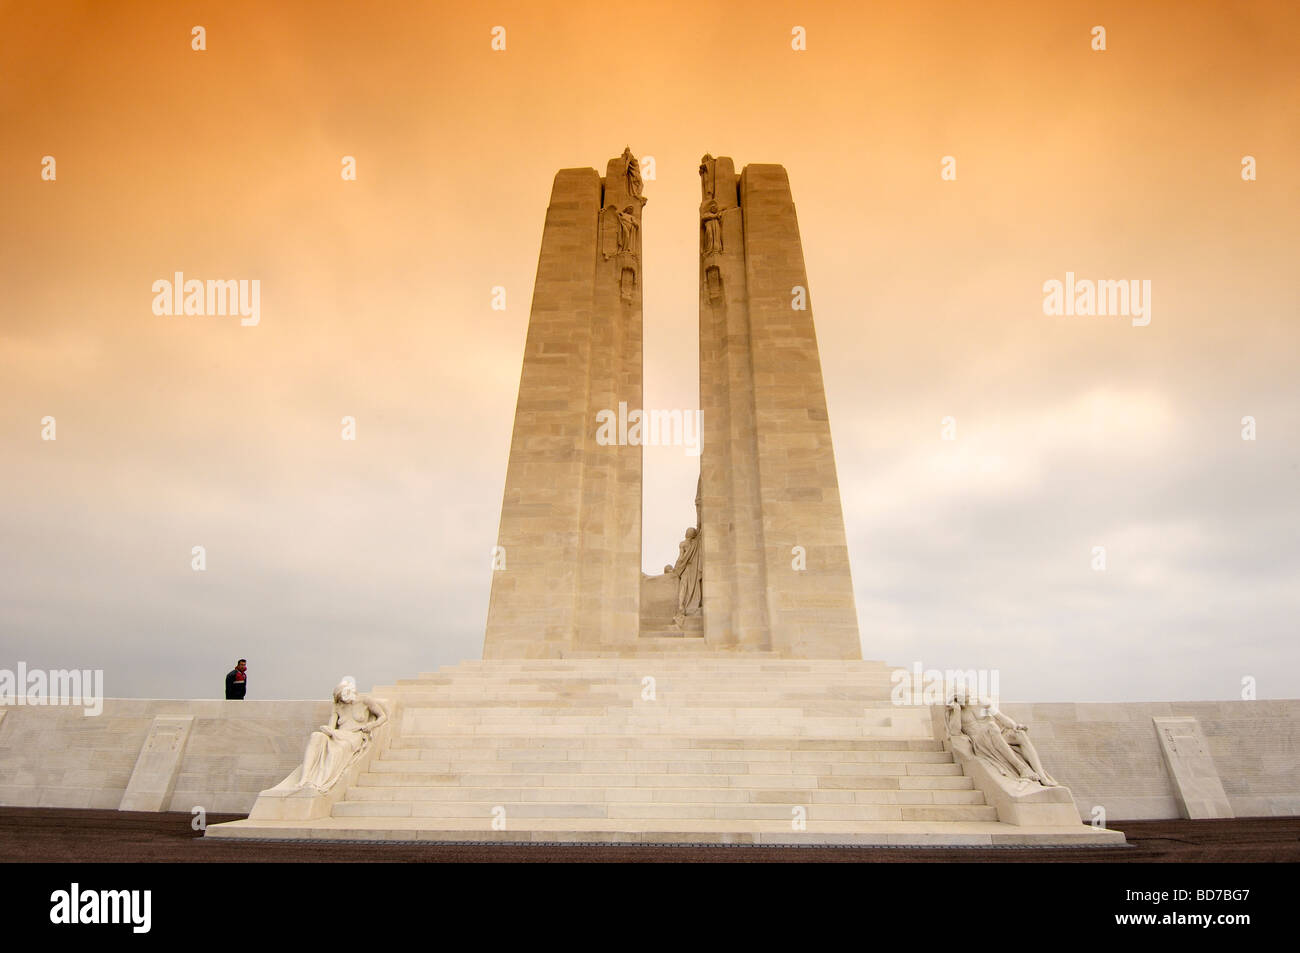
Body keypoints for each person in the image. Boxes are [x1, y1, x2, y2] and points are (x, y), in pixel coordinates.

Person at [295, 678, 388, 792]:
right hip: (337, 734)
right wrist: (328, 730)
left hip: (354, 735)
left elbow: (382, 716)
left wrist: (372, 725)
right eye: (341, 698)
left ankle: (319, 783)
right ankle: (304, 779)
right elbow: (331, 726)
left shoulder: (365, 700)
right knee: (316, 736)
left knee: (336, 751)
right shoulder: (338, 706)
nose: (344, 700)